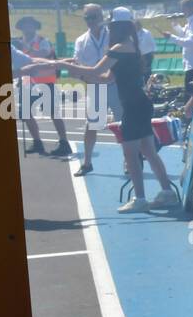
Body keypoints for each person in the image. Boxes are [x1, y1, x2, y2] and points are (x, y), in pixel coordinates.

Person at [60, 13, 179, 213]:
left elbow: (96, 72)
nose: (109, 31)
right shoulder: (131, 47)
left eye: (112, 27)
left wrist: (65, 66)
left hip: (132, 106)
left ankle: (140, 198)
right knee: (148, 151)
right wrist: (80, 71)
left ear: (118, 28)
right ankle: (167, 192)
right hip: (139, 104)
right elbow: (107, 78)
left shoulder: (118, 48)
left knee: (131, 153)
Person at [71, 3, 124, 177]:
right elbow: (77, 66)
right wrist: (86, 78)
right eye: (87, 17)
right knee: (91, 126)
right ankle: (87, 163)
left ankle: (129, 160)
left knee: (123, 125)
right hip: (95, 88)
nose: (91, 21)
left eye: (94, 16)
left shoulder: (113, 36)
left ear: (102, 17)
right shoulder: (81, 40)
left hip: (116, 86)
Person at [12, 16, 72, 156]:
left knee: (52, 112)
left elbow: (43, 54)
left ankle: (64, 142)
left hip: (46, 81)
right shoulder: (18, 43)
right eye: (25, 25)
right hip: (27, 81)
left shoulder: (43, 40)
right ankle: (37, 142)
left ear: (35, 27)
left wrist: (25, 48)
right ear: (21, 28)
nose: (28, 28)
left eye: (31, 25)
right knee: (25, 113)